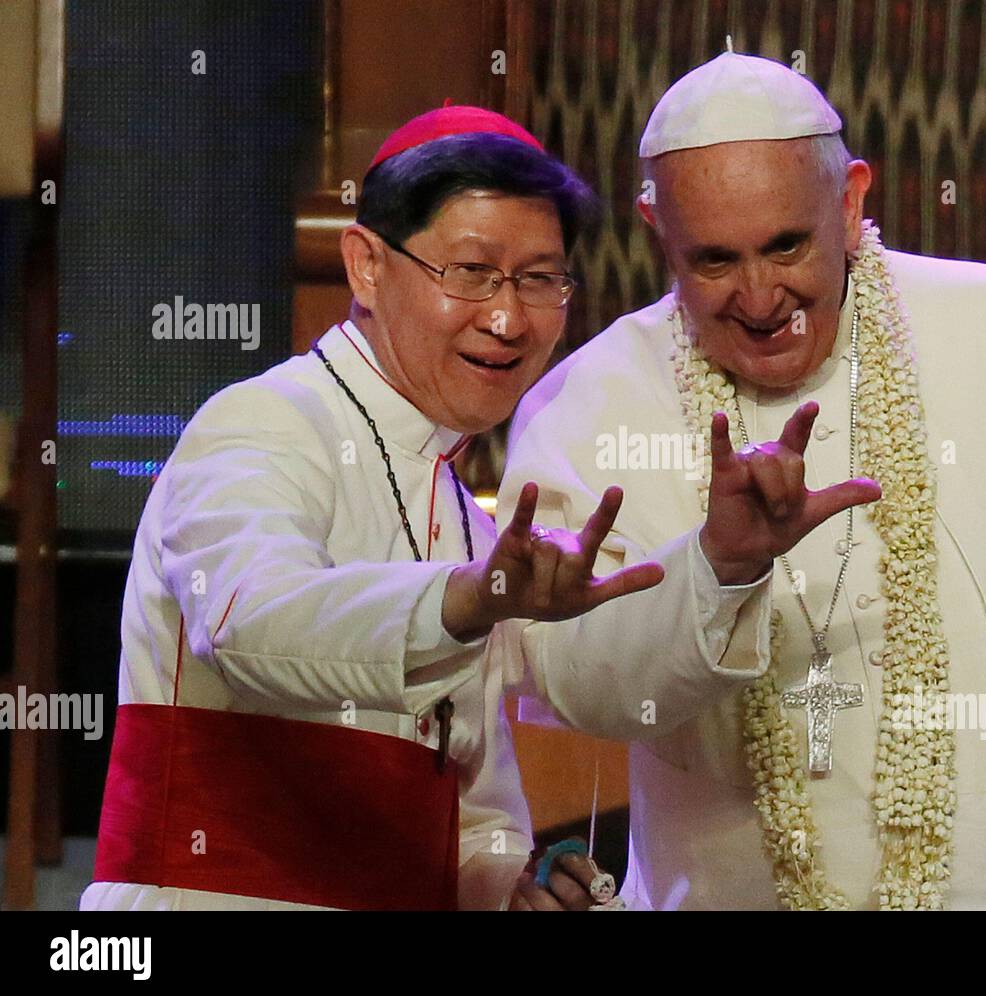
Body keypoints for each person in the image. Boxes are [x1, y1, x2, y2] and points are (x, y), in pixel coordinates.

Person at [497, 52, 986, 910]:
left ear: (852, 200)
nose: (759, 297)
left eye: (787, 245)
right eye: (713, 260)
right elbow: (589, 691)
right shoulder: (591, 402)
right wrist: (714, 571)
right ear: (654, 229)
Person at [80, 106, 662, 911]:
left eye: (539, 279)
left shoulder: (466, 516)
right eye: (471, 272)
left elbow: (476, 814)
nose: (507, 317)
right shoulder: (263, 422)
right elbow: (248, 620)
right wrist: (464, 600)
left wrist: (509, 892)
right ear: (366, 266)